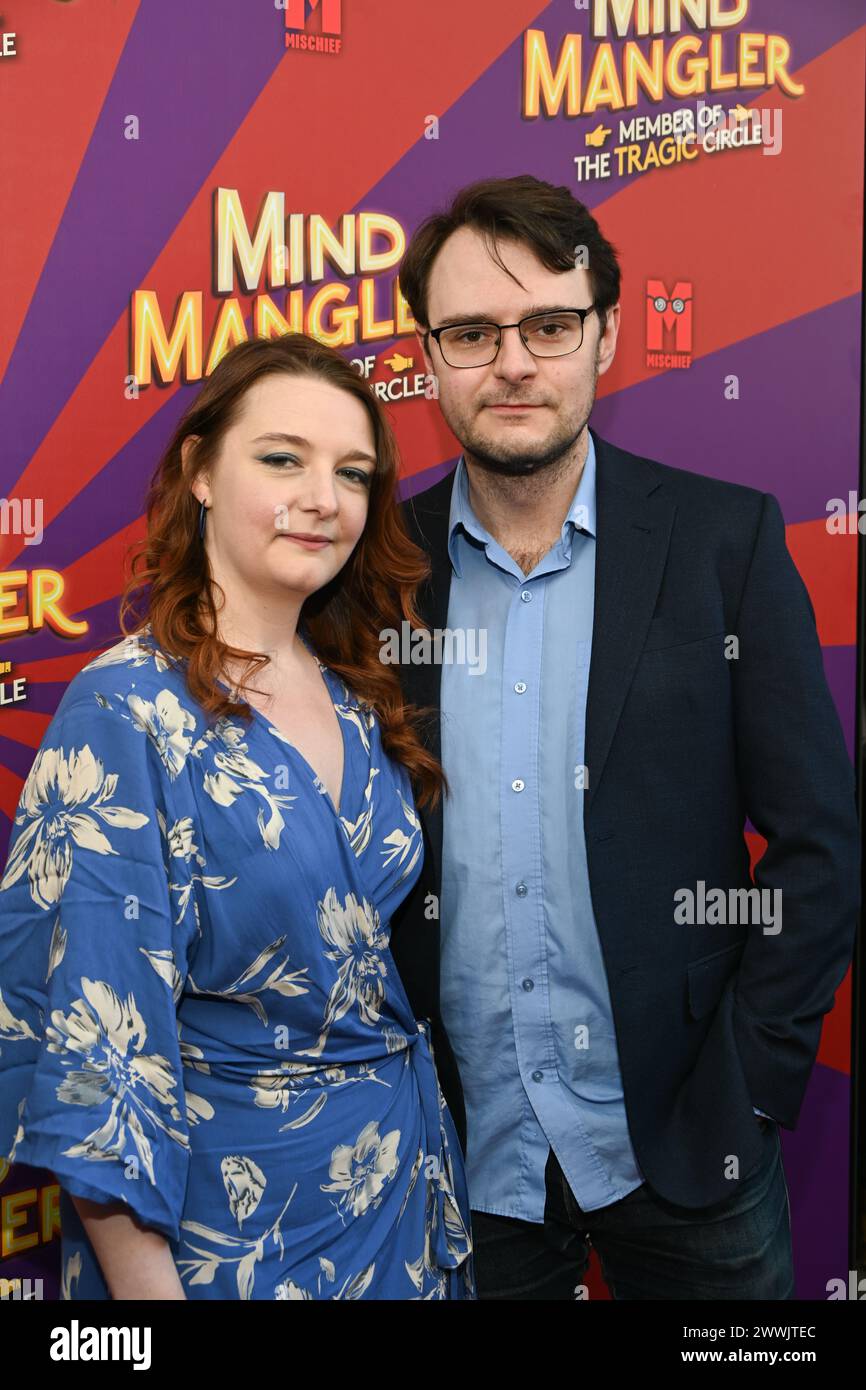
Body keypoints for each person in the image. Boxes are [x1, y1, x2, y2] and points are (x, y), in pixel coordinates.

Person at [386, 174, 860, 1299]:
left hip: (686, 1144)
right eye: (470, 332)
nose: (511, 362)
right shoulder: (372, 573)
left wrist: (746, 1081)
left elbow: (816, 844)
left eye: (547, 324)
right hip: (455, 1153)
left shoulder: (720, 540)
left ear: (603, 335)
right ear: (428, 356)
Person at [0, 332, 474, 1301]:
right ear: (200, 472)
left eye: (351, 472)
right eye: (281, 458)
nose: (323, 497)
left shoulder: (357, 691)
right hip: (224, 1233)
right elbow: (99, 1057)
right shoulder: (127, 710)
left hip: (401, 1202)